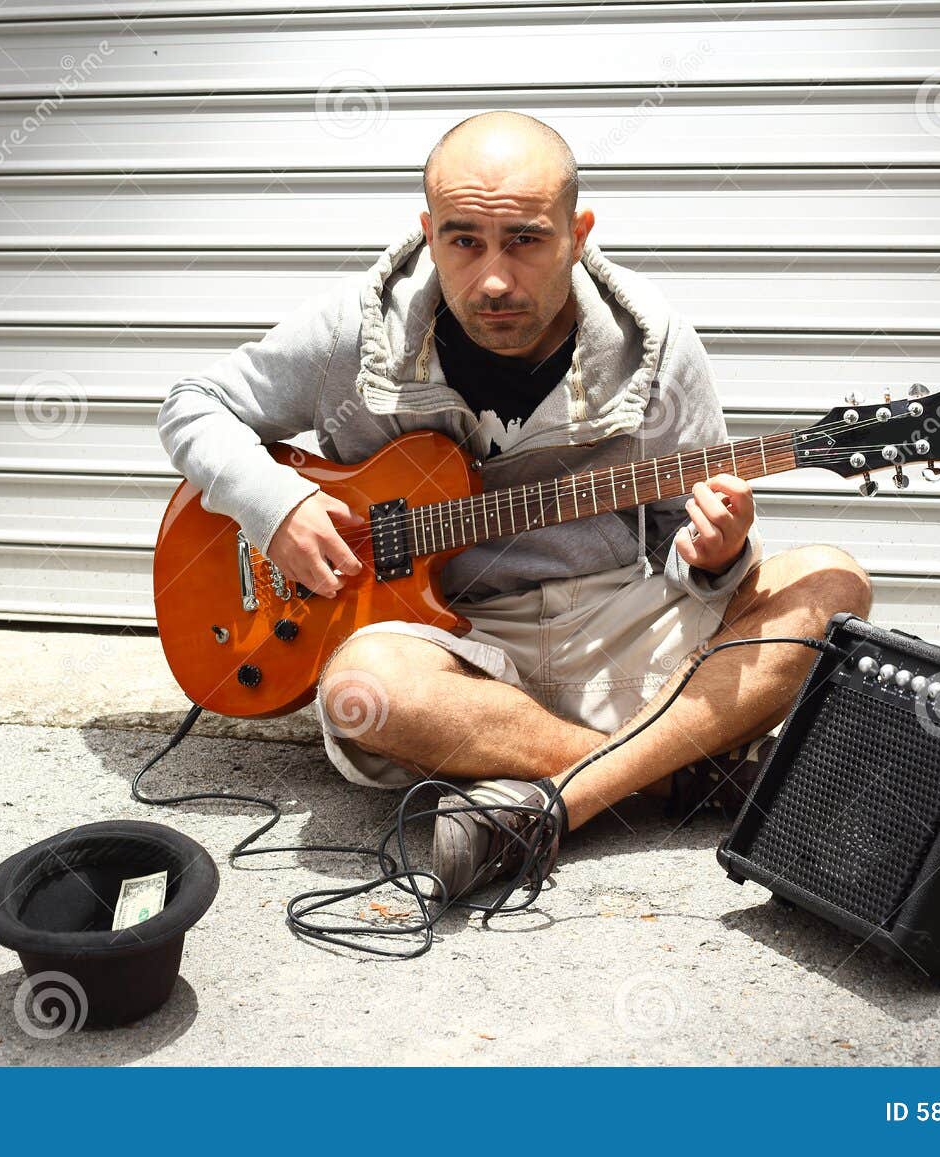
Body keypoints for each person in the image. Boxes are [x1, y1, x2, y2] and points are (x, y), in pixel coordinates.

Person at [158, 110, 871, 902]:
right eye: (464, 241)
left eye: (525, 241)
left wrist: (718, 555)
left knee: (831, 585)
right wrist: (276, 505)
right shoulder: (354, 333)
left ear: (577, 230)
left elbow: (685, 549)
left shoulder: (657, 347)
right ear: (428, 234)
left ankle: (548, 802)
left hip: (614, 622)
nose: (494, 278)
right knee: (364, 691)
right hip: (454, 649)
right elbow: (193, 403)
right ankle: (669, 772)